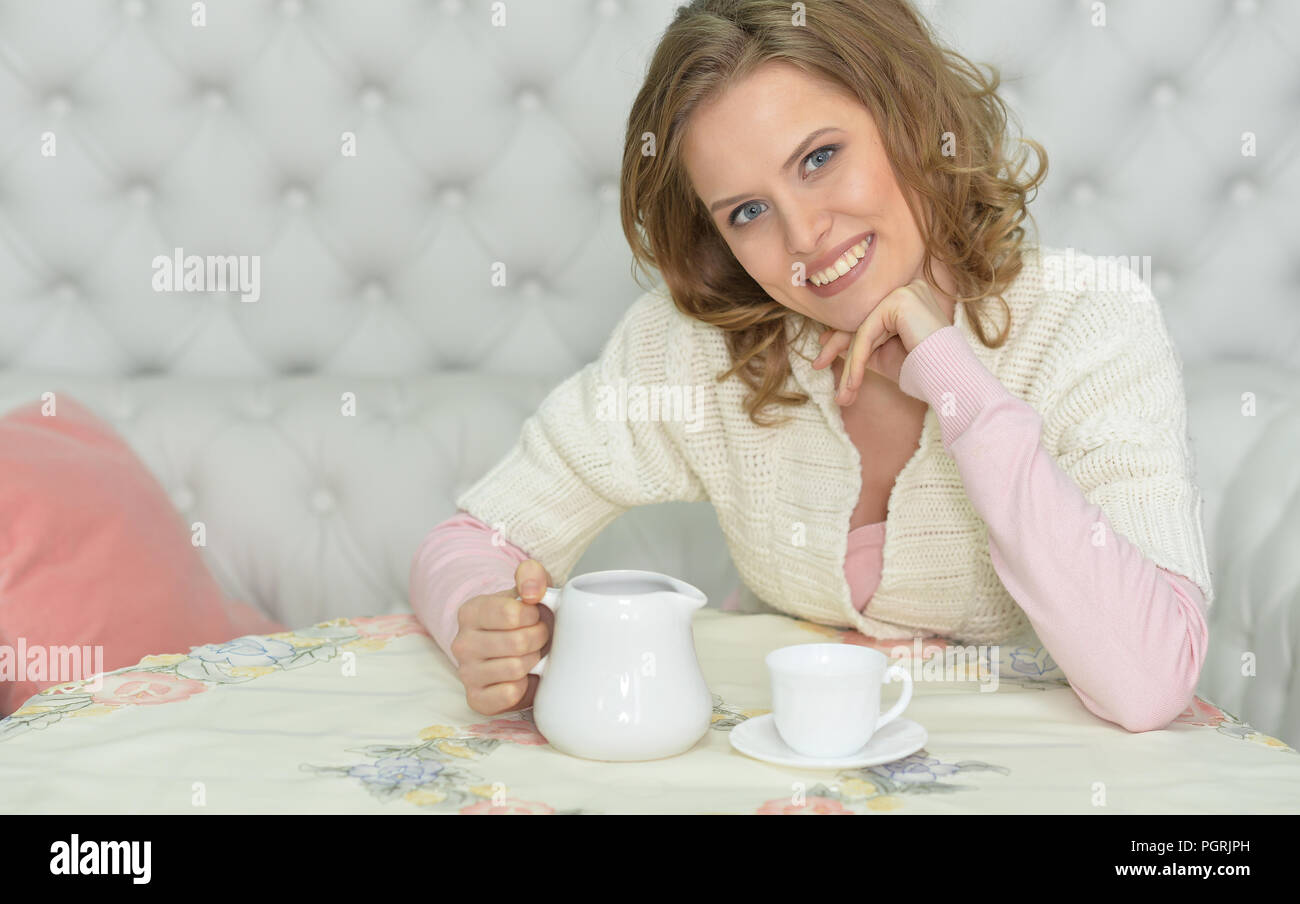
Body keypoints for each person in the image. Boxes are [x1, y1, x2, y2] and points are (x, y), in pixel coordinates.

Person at [410, 0, 1213, 732]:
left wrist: (954, 380)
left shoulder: (1088, 323)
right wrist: (478, 621)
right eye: (748, 212)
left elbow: (1147, 683)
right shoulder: (699, 349)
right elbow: (479, 536)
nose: (803, 236)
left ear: (911, 115)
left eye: (820, 158)